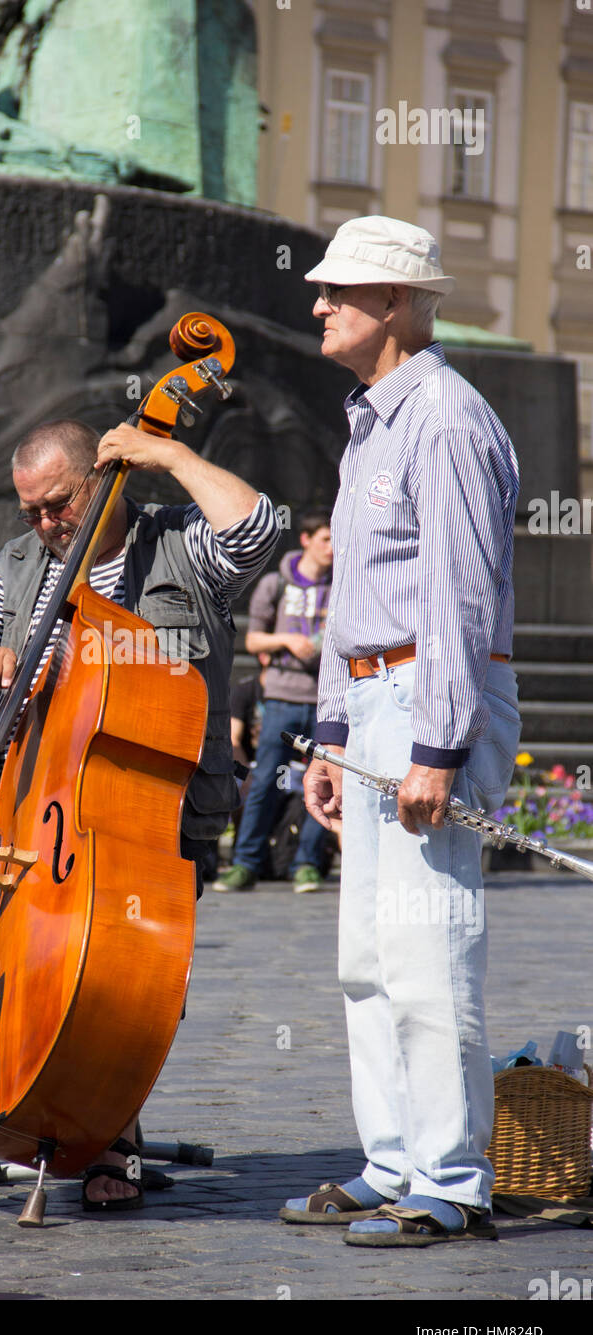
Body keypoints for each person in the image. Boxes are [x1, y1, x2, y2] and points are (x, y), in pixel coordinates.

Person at [0, 416, 278, 1204]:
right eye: (30, 511)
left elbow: (256, 532)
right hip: (31, 805)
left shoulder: (182, 546)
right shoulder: (21, 564)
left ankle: (110, 1132)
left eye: (58, 503)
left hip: (152, 809)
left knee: (127, 960)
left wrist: (171, 453)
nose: (46, 524)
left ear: (103, 477)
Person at [279, 216, 520, 1246]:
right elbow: (350, 598)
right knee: (367, 956)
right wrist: (331, 732)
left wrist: (434, 747)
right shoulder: (371, 421)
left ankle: (453, 1182)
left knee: (428, 953)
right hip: (372, 698)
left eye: (338, 290)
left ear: (392, 304)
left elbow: (458, 599)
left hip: (429, 697)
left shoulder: (446, 419)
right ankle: (391, 1163)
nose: (318, 303)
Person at [215, 511, 333, 894]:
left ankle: (307, 864)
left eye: (335, 541)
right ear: (305, 539)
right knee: (266, 779)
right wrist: (285, 641)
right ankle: (245, 863)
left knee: (328, 782)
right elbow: (252, 641)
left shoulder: (346, 585)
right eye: (324, 540)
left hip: (327, 700)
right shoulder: (275, 583)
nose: (331, 549)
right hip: (281, 697)